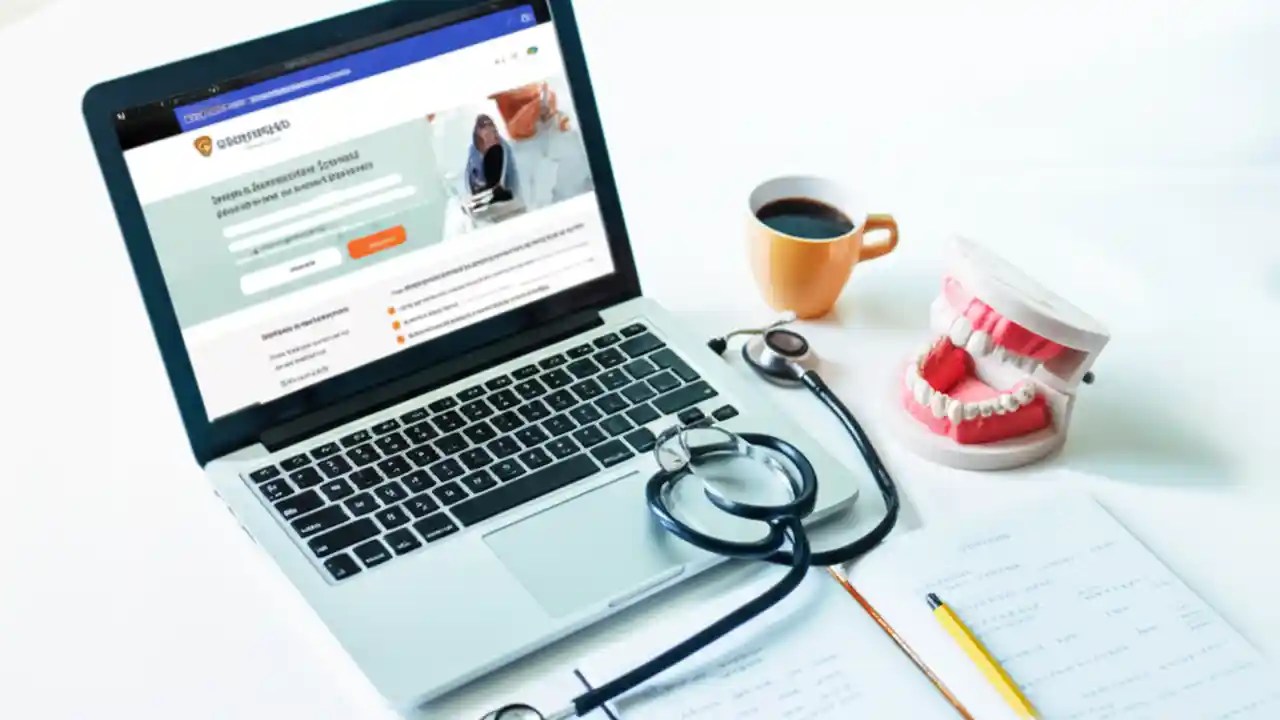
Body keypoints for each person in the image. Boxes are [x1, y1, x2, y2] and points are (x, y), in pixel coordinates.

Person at [465, 114, 518, 203]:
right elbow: (470, 175)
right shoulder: (474, 151)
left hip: (503, 187)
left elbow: (511, 169)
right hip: (483, 189)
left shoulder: (504, 147)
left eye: (492, 128)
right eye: (484, 127)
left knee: (495, 152)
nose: (489, 129)